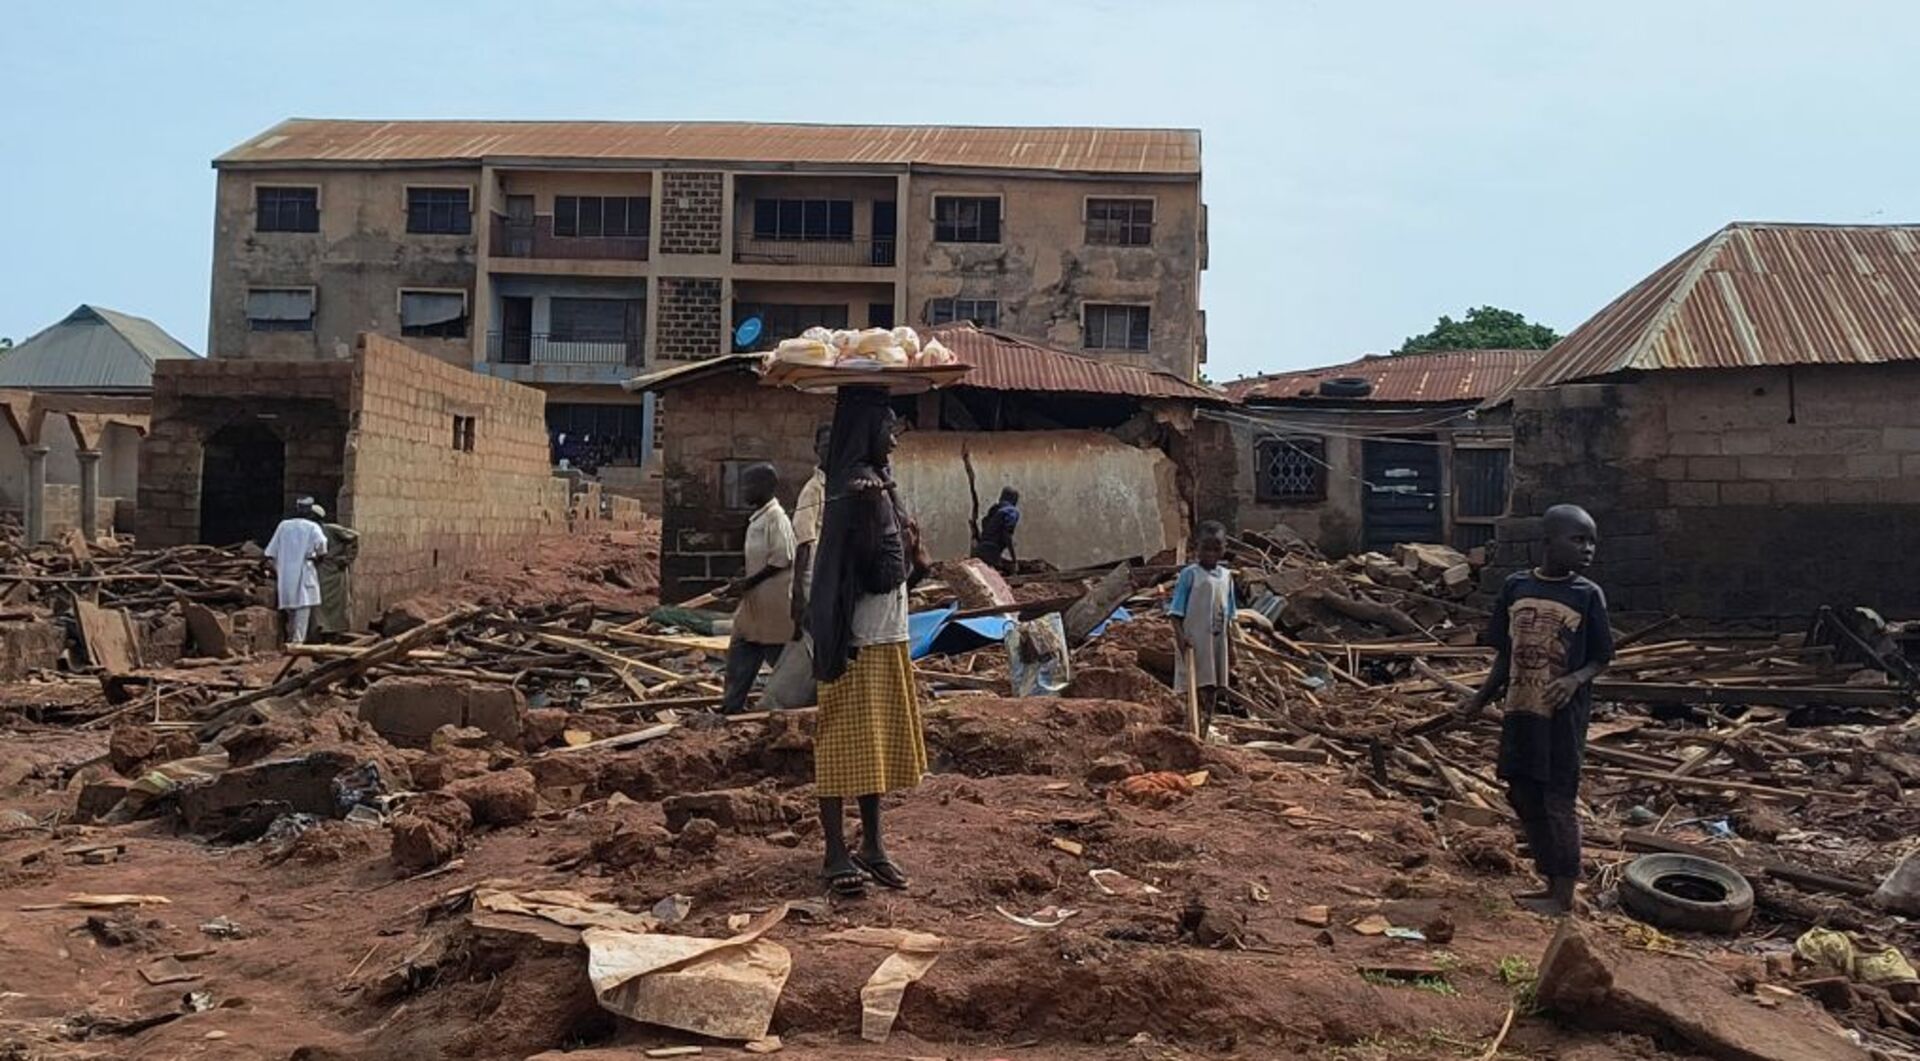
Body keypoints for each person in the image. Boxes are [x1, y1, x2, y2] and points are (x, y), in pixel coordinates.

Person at [1455, 504, 1614, 917]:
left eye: (1592, 541)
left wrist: (1574, 679)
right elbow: (1505, 656)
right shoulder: (1515, 587)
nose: (1587, 549)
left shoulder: (1587, 595)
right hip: (1521, 712)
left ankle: (1563, 894)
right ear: (1547, 542)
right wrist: (1478, 700)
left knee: (1557, 798)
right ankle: (1549, 879)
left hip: (1562, 718)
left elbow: (1602, 657)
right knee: (1523, 793)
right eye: (1578, 539)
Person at [807, 386, 926, 899]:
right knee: (840, 746)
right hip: (857, 638)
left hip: (888, 633)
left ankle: (873, 844)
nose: (894, 441)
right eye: (888, 430)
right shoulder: (855, 489)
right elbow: (874, 572)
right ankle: (836, 851)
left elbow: (904, 564)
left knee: (872, 749)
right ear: (867, 432)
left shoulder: (877, 484)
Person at [720, 462, 795, 714]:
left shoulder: (776, 518)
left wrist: (748, 583)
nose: (744, 490)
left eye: (748, 485)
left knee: (780, 660)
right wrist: (742, 578)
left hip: (772, 604)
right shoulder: (759, 518)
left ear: (765, 487)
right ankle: (731, 706)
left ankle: (797, 703)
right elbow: (762, 559)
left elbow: (783, 558)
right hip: (756, 604)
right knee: (741, 650)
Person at [1169, 520, 1236, 737]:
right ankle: (1191, 730)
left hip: (1217, 642)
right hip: (1195, 642)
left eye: (1216, 548)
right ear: (1197, 547)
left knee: (1212, 686)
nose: (1211, 553)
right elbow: (1176, 612)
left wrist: (1232, 646)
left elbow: (1230, 616)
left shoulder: (1227, 577)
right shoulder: (1190, 575)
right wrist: (1180, 638)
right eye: (1206, 547)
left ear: (1224, 548)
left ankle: (1204, 730)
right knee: (1193, 685)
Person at [264, 497, 328, 646]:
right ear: (310, 512)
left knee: (290, 608)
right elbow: (322, 547)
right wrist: (316, 559)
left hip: (286, 573)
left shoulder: (284, 526)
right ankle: (297, 642)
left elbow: (270, 552)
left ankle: (290, 638)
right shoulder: (313, 527)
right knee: (303, 607)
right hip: (305, 570)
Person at [789, 423, 833, 631]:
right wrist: (797, 590)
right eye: (825, 445)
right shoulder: (813, 490)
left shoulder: (840, 485)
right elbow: (803, 543)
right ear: (816, 449)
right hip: (814, 576)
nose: (830, 449)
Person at [310, 504, 360, 641]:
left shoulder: (330, 529)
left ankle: (335, 631)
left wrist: (347, 559)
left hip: (335, 571)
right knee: (321, 602)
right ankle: (323, 631)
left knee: (336, 603)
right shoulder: (310, 532)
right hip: (321, 570)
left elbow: (354, 537)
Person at [971, 487, 1021, 573]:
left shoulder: (994, 509)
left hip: (980, 549)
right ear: (1015, 500)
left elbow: (984, 522)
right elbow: (1007, 535)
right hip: (992, 551)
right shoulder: (1011, 511)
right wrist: (1014, 560)